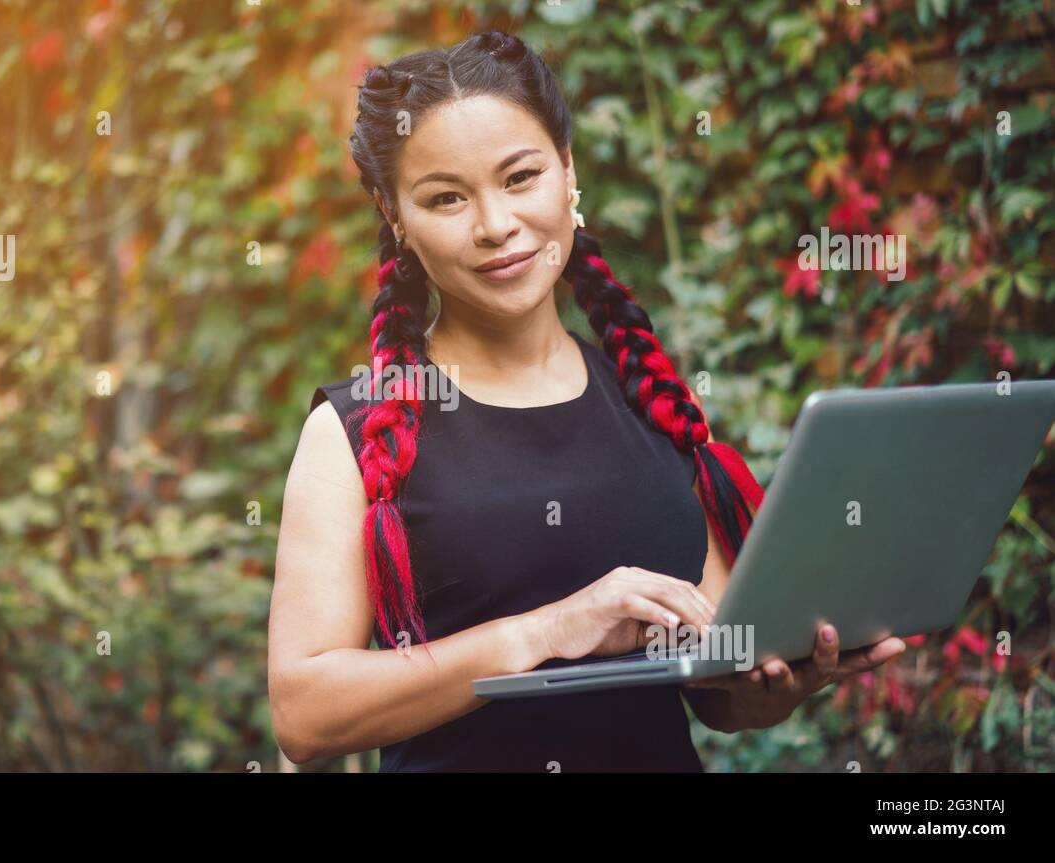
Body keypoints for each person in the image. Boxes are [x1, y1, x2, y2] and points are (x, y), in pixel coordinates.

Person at [268, 29, 905, 772]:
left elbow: (713, 690)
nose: (497, 226)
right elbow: (304, 713)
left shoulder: (650, 402)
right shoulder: (352, 430)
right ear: (395, 216)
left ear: (568, 175)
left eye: (520, 177)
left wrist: (770, 688)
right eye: (446, 197)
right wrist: (547, 631)